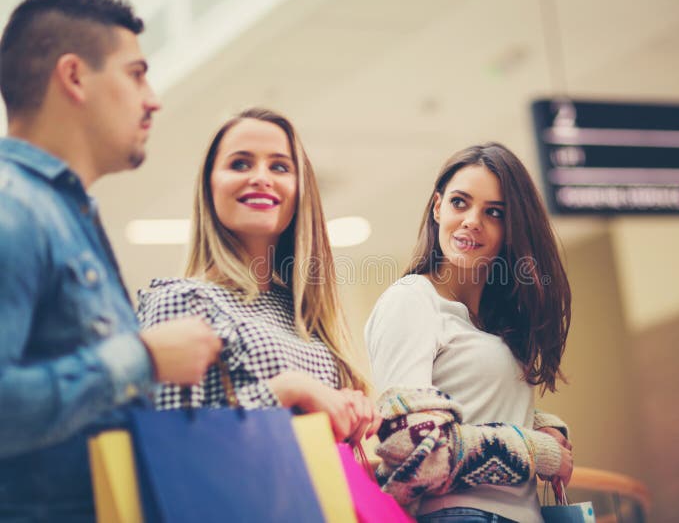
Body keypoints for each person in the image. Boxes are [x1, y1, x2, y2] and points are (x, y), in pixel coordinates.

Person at [0, 0, 222, 520]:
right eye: (136, 73)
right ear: (74, 76)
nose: (153, 98)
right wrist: (141, 359)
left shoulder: (65, 214)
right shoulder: (14, 207)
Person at [137, 108, 380, 444]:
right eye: (240, 163)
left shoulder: (305, 317)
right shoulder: (182, 301)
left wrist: (348, 411)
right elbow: (169, 444)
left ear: (300, 191)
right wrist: (287, 391)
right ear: (209, 187)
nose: (261, 177)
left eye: (279, 166)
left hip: (314, 495)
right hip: (234, 497)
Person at [366, 143, 573, 523]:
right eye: (460, 203)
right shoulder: (411, 301)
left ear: (511, 229)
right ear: (437, 207)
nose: (472, 220)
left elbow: (469, 404)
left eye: (494, 212)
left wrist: (538, 423)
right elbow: (411, 448)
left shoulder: (490, 319)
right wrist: (536, 449)